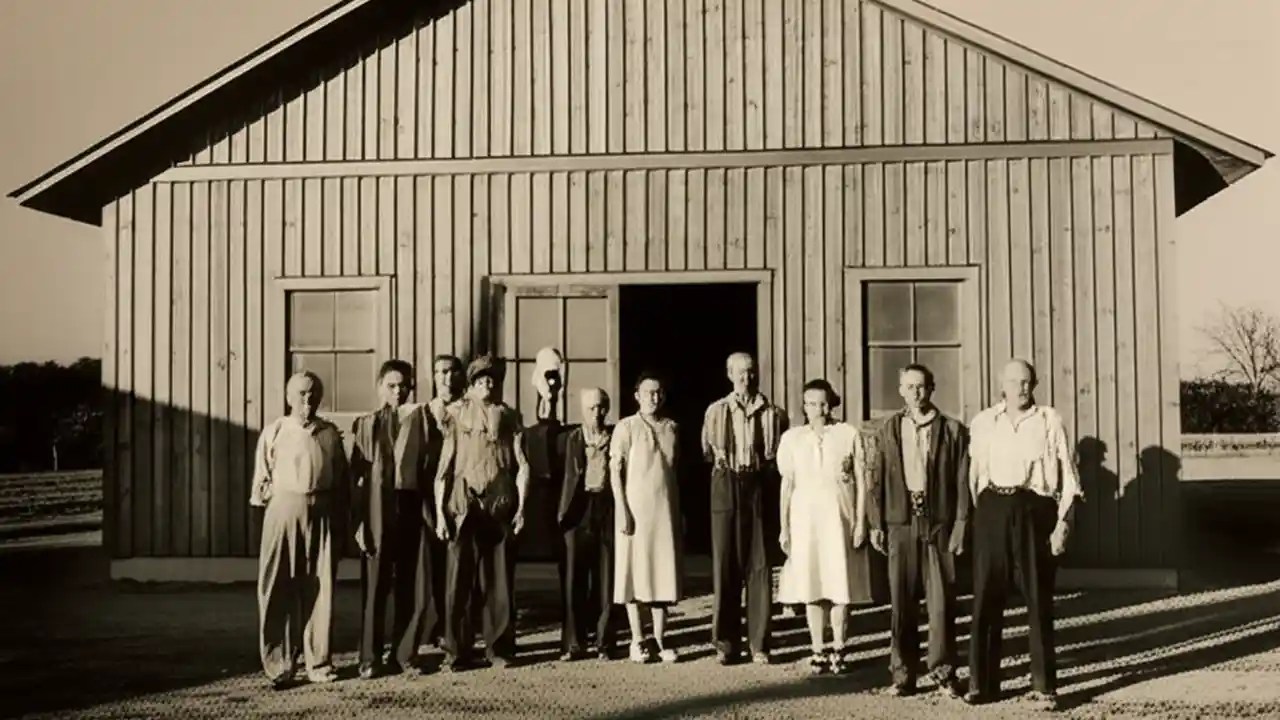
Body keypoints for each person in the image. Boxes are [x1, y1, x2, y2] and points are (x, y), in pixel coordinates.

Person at [965, 359, 1083, 710]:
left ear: (1036, 384)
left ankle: (1045, 686)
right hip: (992, 509)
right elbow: (974, 475)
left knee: (1038, 598)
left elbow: (1068, 477)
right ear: (1002, 383)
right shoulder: (984, 421)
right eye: (1015, 381)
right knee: (986, 597)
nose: (1021, 388)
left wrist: (1063, 524)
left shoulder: (1049, 419)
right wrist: (984, 517)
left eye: (1028, 382)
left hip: (1034, 508)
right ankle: (983, 684)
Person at [868, 364, 969, 697]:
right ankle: (903, 674)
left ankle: (943, 672)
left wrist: (959, 525)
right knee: (902, 603)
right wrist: (876, 523)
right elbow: (876, 480)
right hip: (901, 522)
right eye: (909, 386)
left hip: (937, 522)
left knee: (941, 603)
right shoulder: (889, 430)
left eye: (922, 386)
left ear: (932, 389)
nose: (916, 392)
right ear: (900, 390)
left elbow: (961, 482)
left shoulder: (952, 430)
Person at [250, 371, 350, 688]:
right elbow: (261, 483)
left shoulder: (330, 433)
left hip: (320, 511)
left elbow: (342, 480)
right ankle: (279, 663)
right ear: (289, 397)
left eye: (314, 394)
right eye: (302, 394)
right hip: (283, 509)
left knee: (319, 588)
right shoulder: (275, 430)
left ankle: (318, 662)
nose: (308, 400)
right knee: (277, 586)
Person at [433, 354, 531, 671]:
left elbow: (523, 466)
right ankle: (457, 650)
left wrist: (522, 508)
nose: (486, 384)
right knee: (458, 577)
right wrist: (439, 513)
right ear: (471, 385)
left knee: (499, 579)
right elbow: (443, 469)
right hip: (463, 502)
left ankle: (500, 647)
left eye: (491, 379)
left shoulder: (511, 417)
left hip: (499, 501)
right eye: (480, 380)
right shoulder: (456, 414)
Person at [775, 379, 871, 675]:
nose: (820, 408)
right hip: (805, 521)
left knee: (840, 586)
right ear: (804, 407)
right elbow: (787, 485)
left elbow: (862, 481)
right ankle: (817, 649)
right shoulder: (792, 439)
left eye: (824, 402)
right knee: (812, 585)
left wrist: (860, 522)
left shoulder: (847, 434)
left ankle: (839, 648)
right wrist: (784, 527)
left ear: (833, 402)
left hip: (840, 519)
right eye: (813, 403)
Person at [349, 359, 436, 678]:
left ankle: (404, 654)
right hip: (377, 509)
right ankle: (369, 658)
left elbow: (431, 467)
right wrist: (359, 522)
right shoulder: (365, 424)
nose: (398, 391)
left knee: (411, 583)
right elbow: (355, 478)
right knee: (375, 586)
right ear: (380, 387)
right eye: (391, 385)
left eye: (403, 386)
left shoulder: (422, 419)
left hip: (412, 505)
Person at [699, 352, 788, 665]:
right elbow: (707, 453)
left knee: (760, 566)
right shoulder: (715, 411)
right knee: (726, 565)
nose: (746, 378)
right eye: (740, 372)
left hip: (760, 486)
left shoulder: (774, 413)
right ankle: (726, 644)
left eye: (751, 372)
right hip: (726, 485)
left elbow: (779, 457)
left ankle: (760, 643)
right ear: (729, 373)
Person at [612, 371, 683, 664]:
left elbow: (673, 471)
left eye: (658, 393)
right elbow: (615, 471)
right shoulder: (626, 427)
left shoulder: (671, 428)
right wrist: (622, 509)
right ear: (637, 396)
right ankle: (637, 639)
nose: (653, 398)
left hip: (664, 512)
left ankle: (659, 639)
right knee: (634, 574)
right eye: (647, 392)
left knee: (661, 574)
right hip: (635, 511)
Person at [558, 388, 617, 660]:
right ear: (583, 409)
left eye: (602, 407)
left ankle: (605, 642)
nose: (597, 413)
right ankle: (573, 643)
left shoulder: (616, 436)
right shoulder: (570, 439)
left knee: (607, 578)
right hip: (577, 511)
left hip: (606, 508)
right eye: (592, 408)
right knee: (573, 579)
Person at [424, 354, 466, 647]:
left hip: (460, 490)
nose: (446, 377)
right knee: (431, 561)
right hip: (429, 492)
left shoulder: (468, 409)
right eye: (440, 372)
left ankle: (458, 626)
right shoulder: (425, 411)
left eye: (451, 371)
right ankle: (434, 623)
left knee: (459, 560)